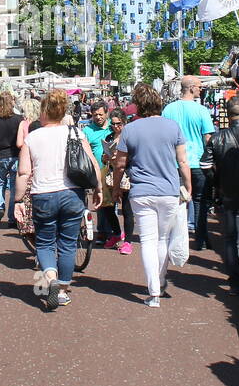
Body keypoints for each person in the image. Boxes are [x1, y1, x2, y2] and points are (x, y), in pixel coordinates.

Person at [15, 89, 100, 311]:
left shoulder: (32, 137)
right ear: (63, 111)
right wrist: (99, 188)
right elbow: (91, 162)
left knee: (44, 242)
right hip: (72, 194)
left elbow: (24, 172)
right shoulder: (75, 133)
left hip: (42, 195)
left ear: (44, 111)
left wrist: (17, 202)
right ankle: (62, 289)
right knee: (68, 243)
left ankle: (49, 279)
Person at [111, 82, 191, 308]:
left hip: (141, 191)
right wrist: (188, 185)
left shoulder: (130, 130)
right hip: (168, 190)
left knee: (147, 240)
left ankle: (153, 291)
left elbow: (120, 164)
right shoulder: (172, 126)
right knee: (163, 238)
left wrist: (116, 188)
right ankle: (161, 279)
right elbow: (183, 161)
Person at [209, 96, 239, 294]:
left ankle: (235, 283)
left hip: (230, 192)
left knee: (231, 239)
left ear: (227, 115)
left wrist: (217, 182)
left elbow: (207, 165)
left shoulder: (218, 137)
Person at [162, 75, 216, 250]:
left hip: (175, 164)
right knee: (200, 201)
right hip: (198, 162)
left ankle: (174, 240)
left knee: (176, 202)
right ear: (191, 88)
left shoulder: (168, 109)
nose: (201, 89)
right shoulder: (201, 111)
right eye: (199, 86)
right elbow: (208, 137)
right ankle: (200, 239)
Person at [0, 93, 25, 228]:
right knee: (14, 186)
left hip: (0, 156)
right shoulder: (19, 119)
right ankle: (12, 218)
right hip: (15, 155)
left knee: (0, 184)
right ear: (11, 102)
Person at [82, 104, 116, 242]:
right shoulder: (88, 130)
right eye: (95, 114)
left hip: (114, 170)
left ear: (107, 113)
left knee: (113, 202)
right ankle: (103, 231)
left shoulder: (113, 126)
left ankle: (113, 231)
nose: (98, 117)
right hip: (98, 171)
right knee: (102, 203)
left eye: (101, 114)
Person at [102, 109, 134, 255]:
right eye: (113, 124)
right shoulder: (109, 137)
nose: (116, 127)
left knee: (127, 210)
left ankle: (128, 241)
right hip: (111, 174)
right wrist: (107, 157)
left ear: (124, 122)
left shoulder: (129, 137)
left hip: (125, 175)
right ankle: (116, 233)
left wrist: (120, 158)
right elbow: (104, 158)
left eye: (118, 124)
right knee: (107, 206)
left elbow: (133, 157)